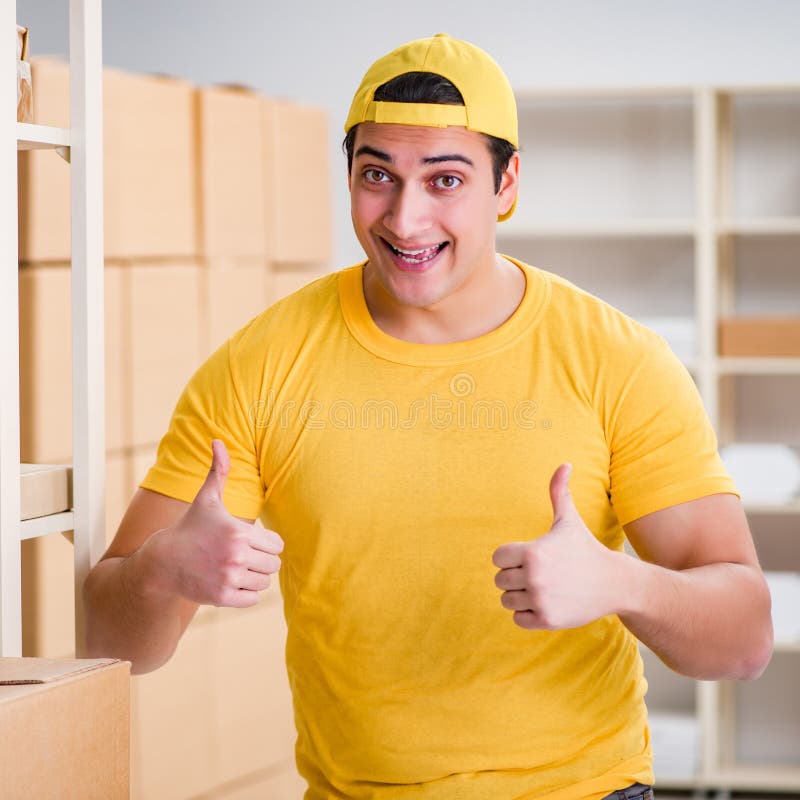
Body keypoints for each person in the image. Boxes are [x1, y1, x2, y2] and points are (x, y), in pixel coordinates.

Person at [84, 33, 773, 800]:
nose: (405, 221)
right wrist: (159, 572)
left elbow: (744, 640)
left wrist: (622, 584)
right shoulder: (260, 364)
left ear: (507, 184)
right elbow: (107, 646)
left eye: (445, 180)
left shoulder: (618, 360)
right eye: (377, 175)